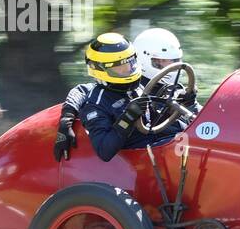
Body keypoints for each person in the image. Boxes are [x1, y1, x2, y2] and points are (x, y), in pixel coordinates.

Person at [53, 32, 195, 163]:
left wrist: (180, 103)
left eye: (130, 63)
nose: (128, 70)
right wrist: (128, 118)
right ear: (100, 68)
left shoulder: (137, 88)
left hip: (163, 146)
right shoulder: (96, 104)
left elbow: (154, 122)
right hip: (144, 161)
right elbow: (104, 151)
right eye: (119, 67)